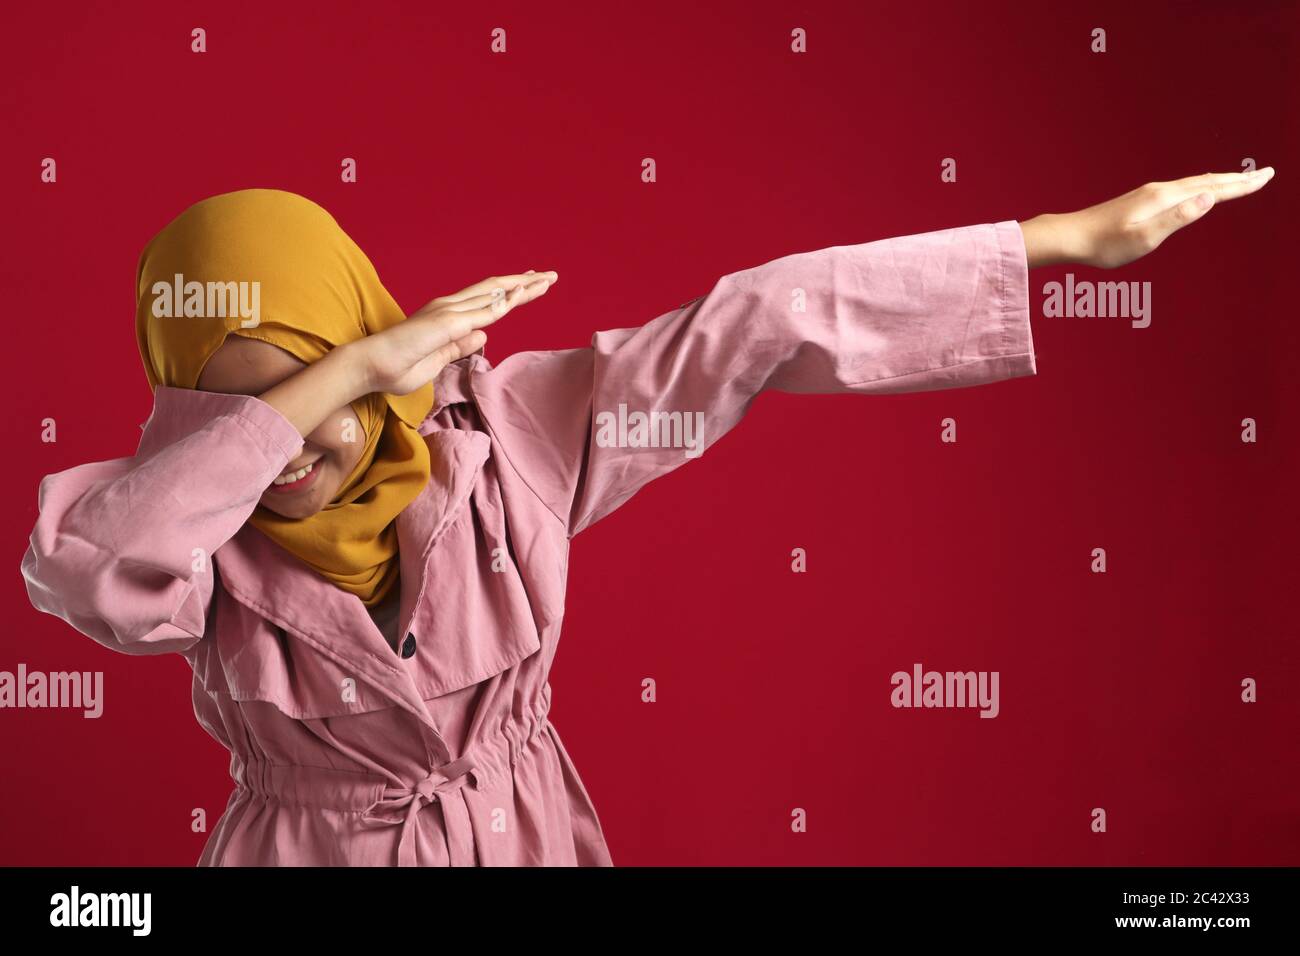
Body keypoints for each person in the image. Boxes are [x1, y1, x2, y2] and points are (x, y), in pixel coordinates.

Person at [20, 169, 1274, 866]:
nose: (291, 448)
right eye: (248, 413)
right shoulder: (172, 532)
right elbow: (85, 570)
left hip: (525, 840)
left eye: (315, 376)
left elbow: (752, 322)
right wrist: (343, 375)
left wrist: (1051, 240)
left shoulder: (508, 436)